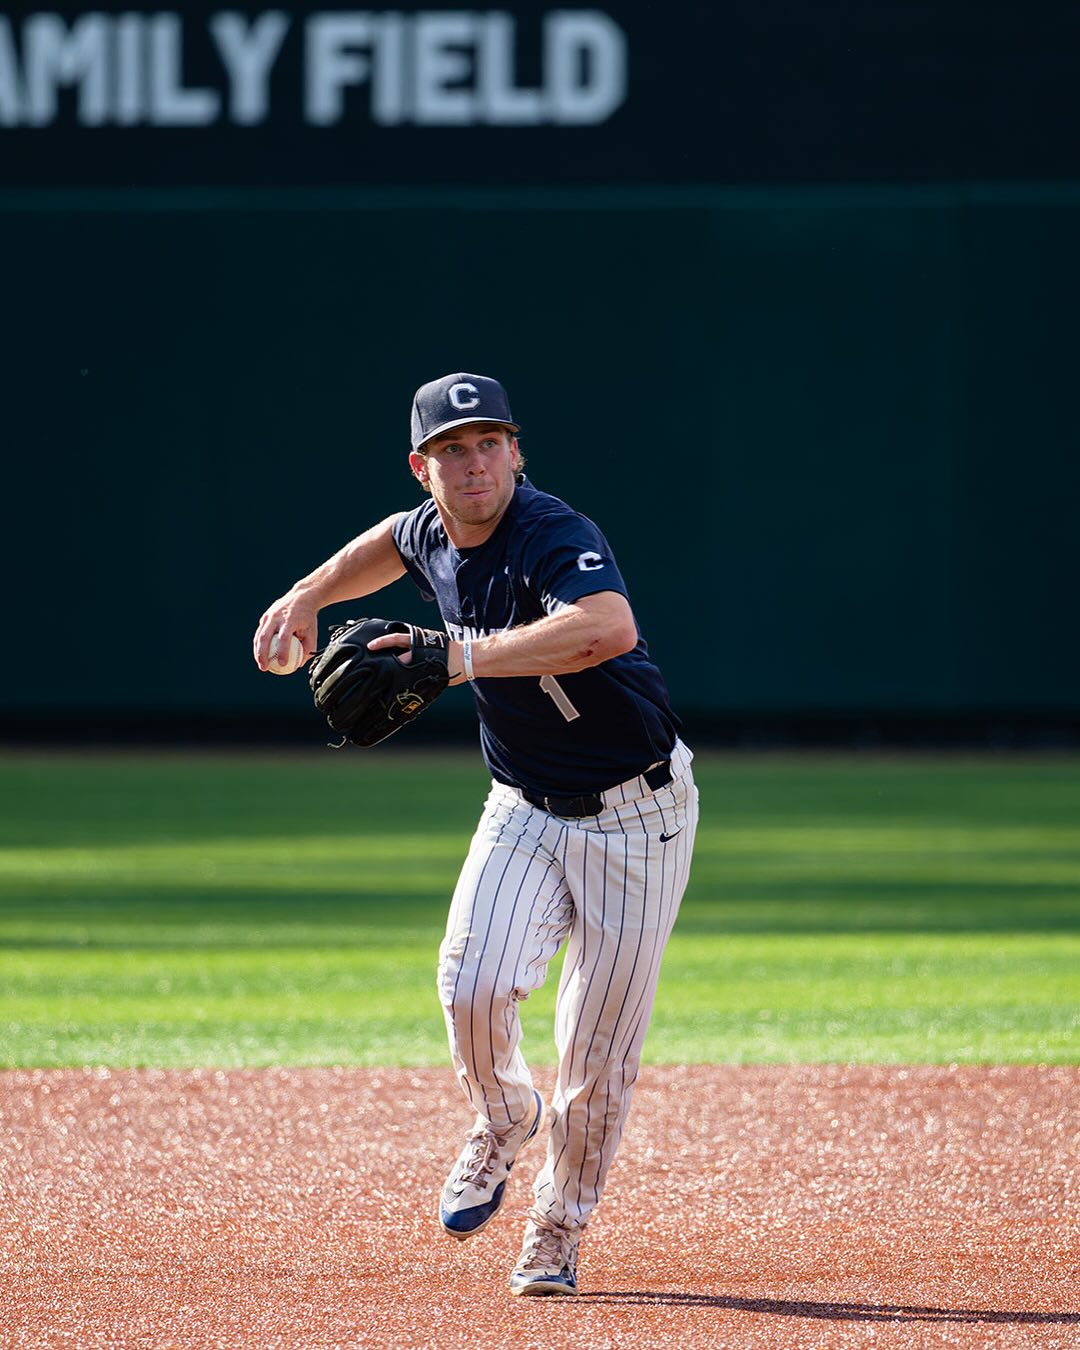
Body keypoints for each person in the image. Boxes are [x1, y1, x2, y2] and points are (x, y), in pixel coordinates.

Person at [253, 373, 699, 1296]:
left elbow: (605, 629)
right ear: (424, 468)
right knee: (472, 984)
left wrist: (454, 657)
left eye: (489, 443)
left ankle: (557, 1229)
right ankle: (503, 1119)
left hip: (640, 815)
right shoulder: (429, 529)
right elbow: (389, 543)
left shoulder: (551, 532)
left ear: (516, 452)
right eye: (452, 450)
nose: (474, 464)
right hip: (525, 803)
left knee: (597, 1055)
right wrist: (308, 594)